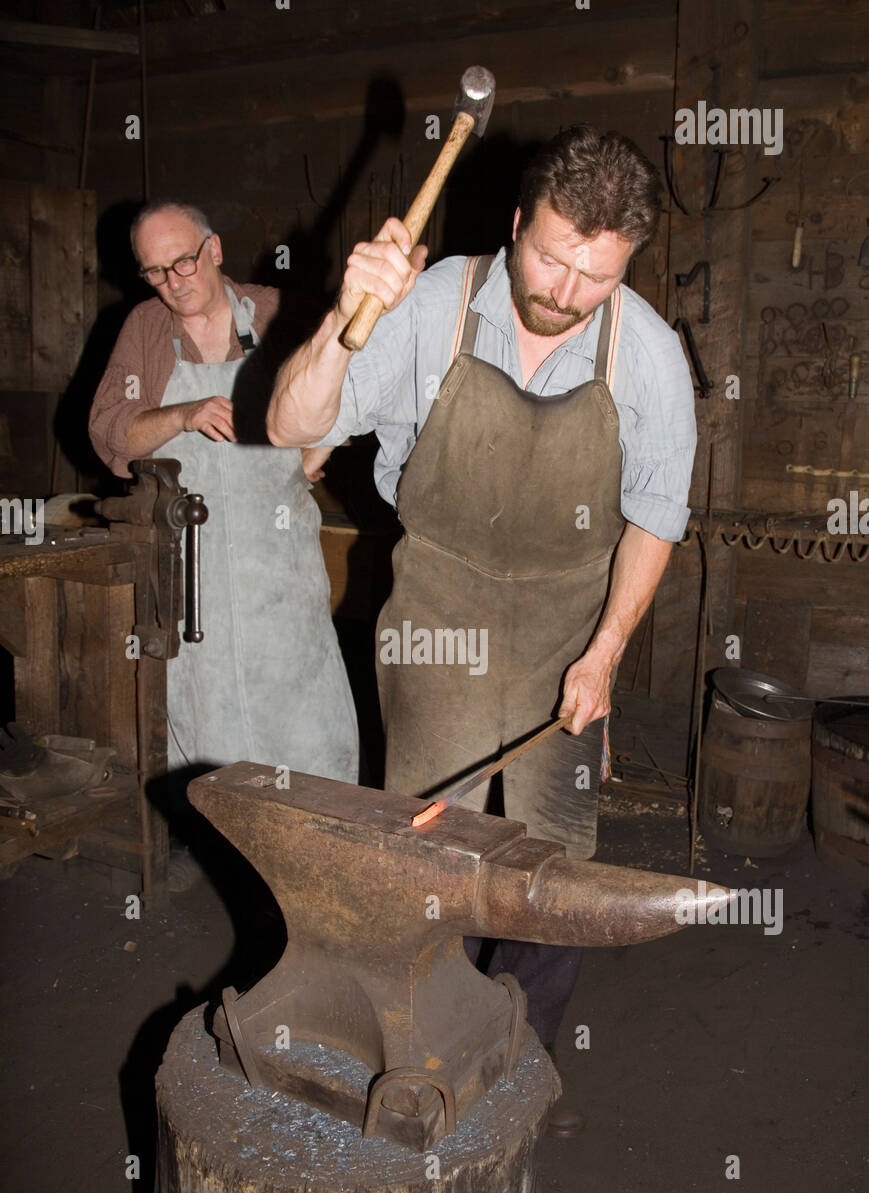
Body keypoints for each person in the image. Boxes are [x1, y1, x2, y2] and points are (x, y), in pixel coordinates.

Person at [265, 127, 696, 1121]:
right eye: (549, 257)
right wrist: (340, 318)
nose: (565, 289)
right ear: (515, 224)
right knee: (425, 847)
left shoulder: (647, 353)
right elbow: (291, 430)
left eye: (596, 274)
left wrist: (607, 647)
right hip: (439, 610)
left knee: (550, 864)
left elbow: (653, 519)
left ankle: (513, 1073)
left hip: (567, 624)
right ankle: (411, 1055)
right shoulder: (427, 306)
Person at [89, 202, 359, 817]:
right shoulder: (145, 331)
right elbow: (109, 437)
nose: (172, 282)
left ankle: (324, 859)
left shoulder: (277, 315)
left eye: (182, 262)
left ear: (213, 249)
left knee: (308, 731)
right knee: (211, 741)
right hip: (191, 579)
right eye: (154, 272)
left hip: (280, 573)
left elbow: (352, 390)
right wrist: (182, 414)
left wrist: (311, 460)